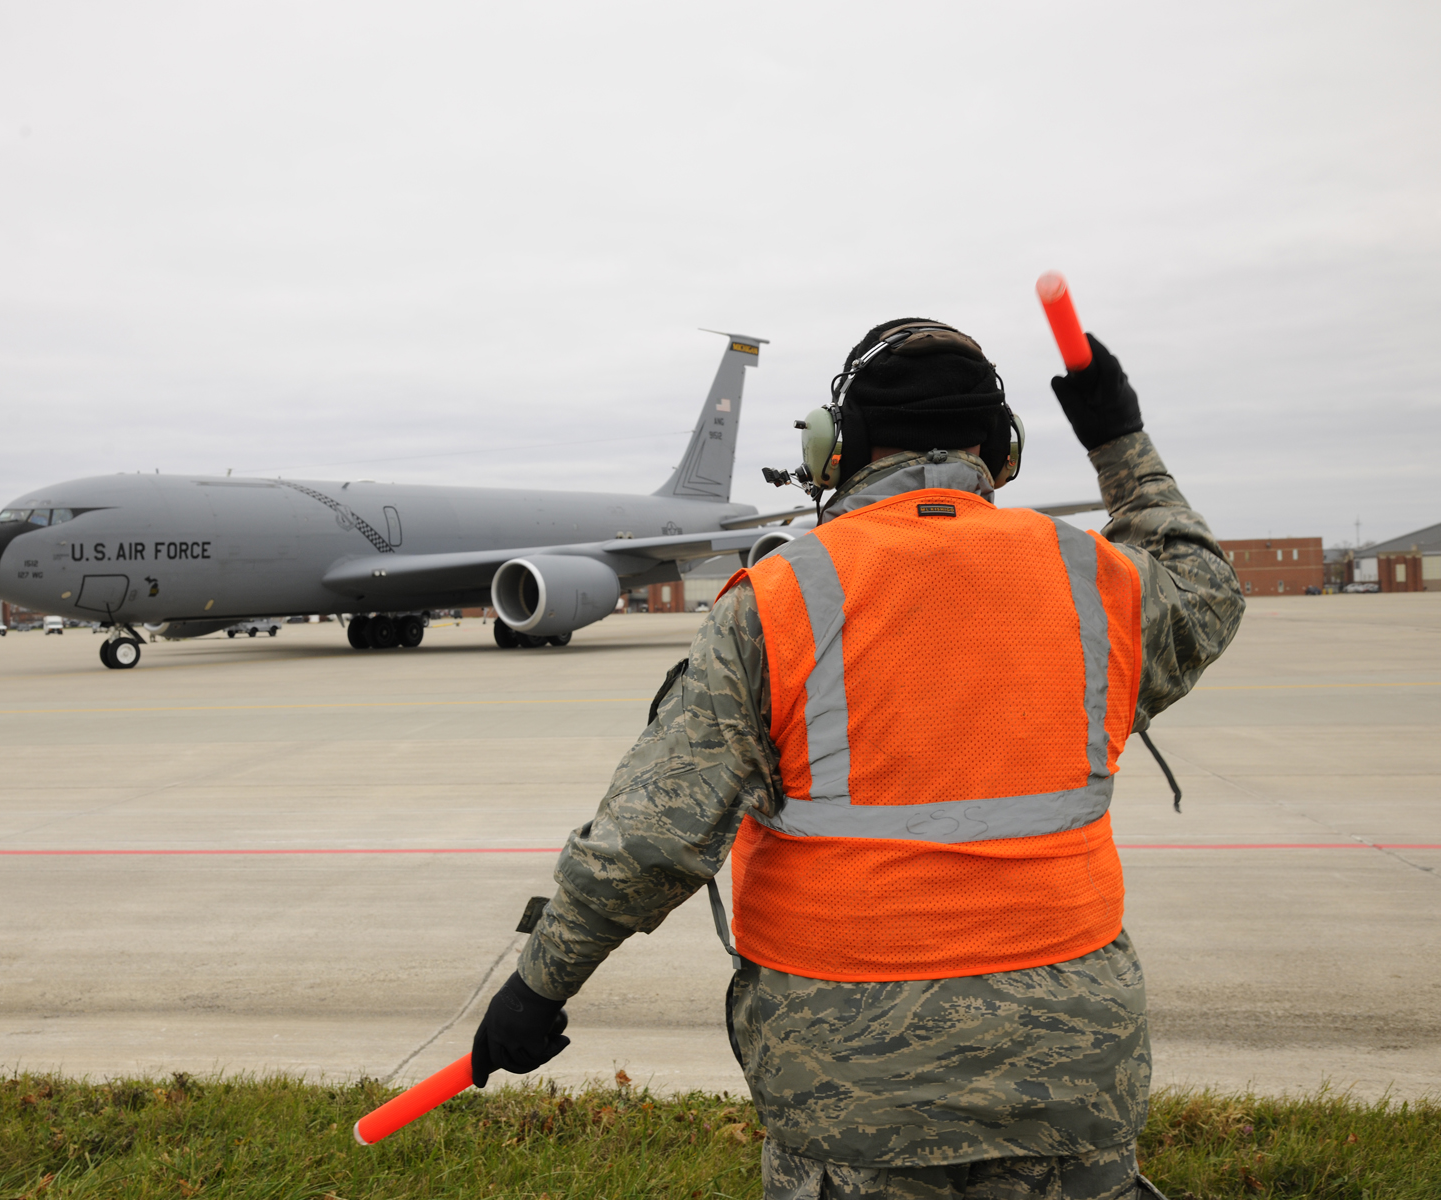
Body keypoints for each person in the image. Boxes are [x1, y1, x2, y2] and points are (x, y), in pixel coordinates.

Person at [468, 318, 1246, 1199]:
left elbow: (648, 840)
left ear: (834, 450)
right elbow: (1205, 584)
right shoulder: (1097, 580)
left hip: (856, 1094)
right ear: (1002, 451)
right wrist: (1118, 439)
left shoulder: (779, 599)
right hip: (1069, 1074)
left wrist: (540, 987)